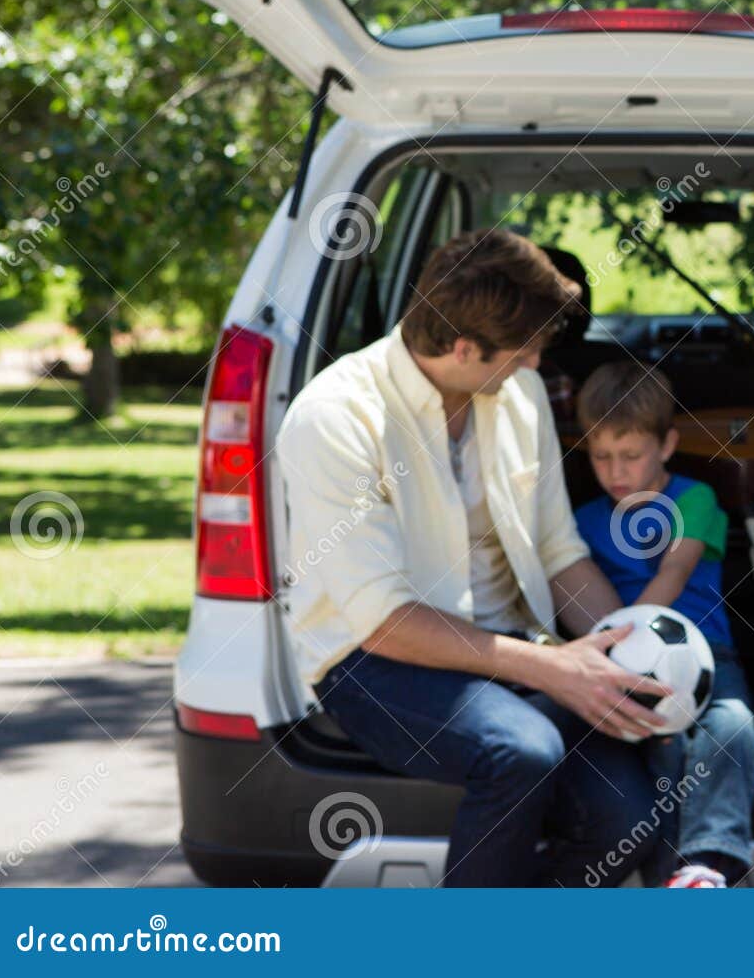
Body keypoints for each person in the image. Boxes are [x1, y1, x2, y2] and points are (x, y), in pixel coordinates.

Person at [277, 229, 673, 888]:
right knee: (521, 749)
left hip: (515, 647)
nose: (536, 365)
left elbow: (557, 552)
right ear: (464, 348)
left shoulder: (518, 395)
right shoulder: (336, 417)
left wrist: (636, 644)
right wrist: (553, 668)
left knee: (627, 817)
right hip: (372, 656)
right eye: (525, 352)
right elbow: (382, 619)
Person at [573, 361, 754, 889]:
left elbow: (674, 573)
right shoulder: (583, 520)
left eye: (630, 456)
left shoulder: (693, 499)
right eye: (600, 456)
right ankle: (671, 877)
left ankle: (711, 860)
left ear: (667, 445)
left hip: (706, 657)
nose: (615, 472)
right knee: (664, 745)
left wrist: (635, 635)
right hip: (623, 664)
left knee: (732, 728)